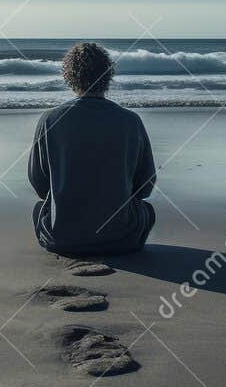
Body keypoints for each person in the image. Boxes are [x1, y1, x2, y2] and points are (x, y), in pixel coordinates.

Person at [27, 42, 157, 255]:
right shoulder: (130, 121)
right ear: (108, 75)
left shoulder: (50, 119)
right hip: (123, 240)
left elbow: (39, 184)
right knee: (147, 212)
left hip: (61, 239)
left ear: (69, 77)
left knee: (38, 210)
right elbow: (145, 186)